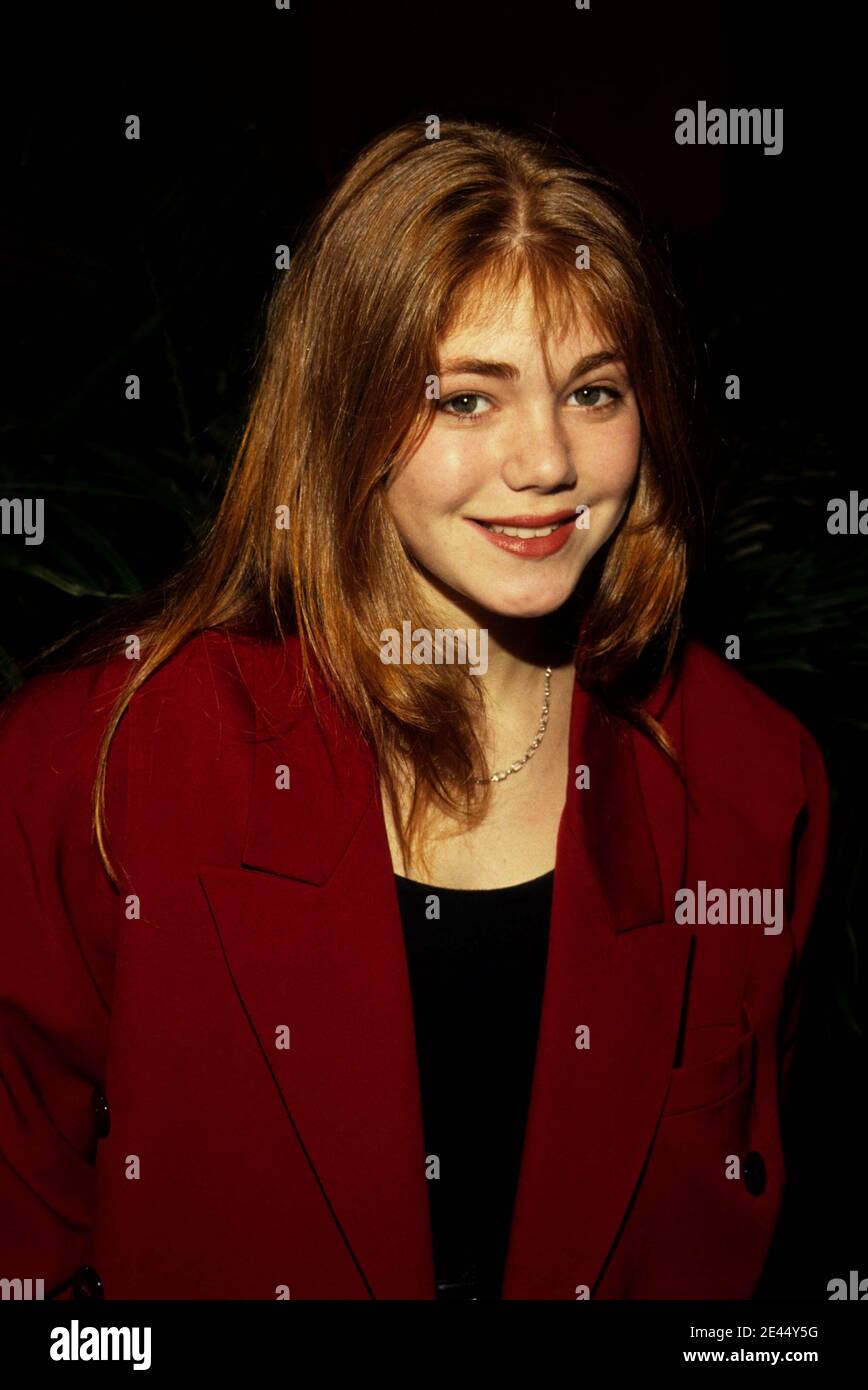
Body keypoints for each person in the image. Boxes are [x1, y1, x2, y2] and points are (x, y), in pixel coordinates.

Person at [0, 119, 829, 1301]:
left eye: (594, 390)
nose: (546, 460)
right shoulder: (99, 764)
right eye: (467, 399)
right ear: (343, 413)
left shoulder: (754, 778)